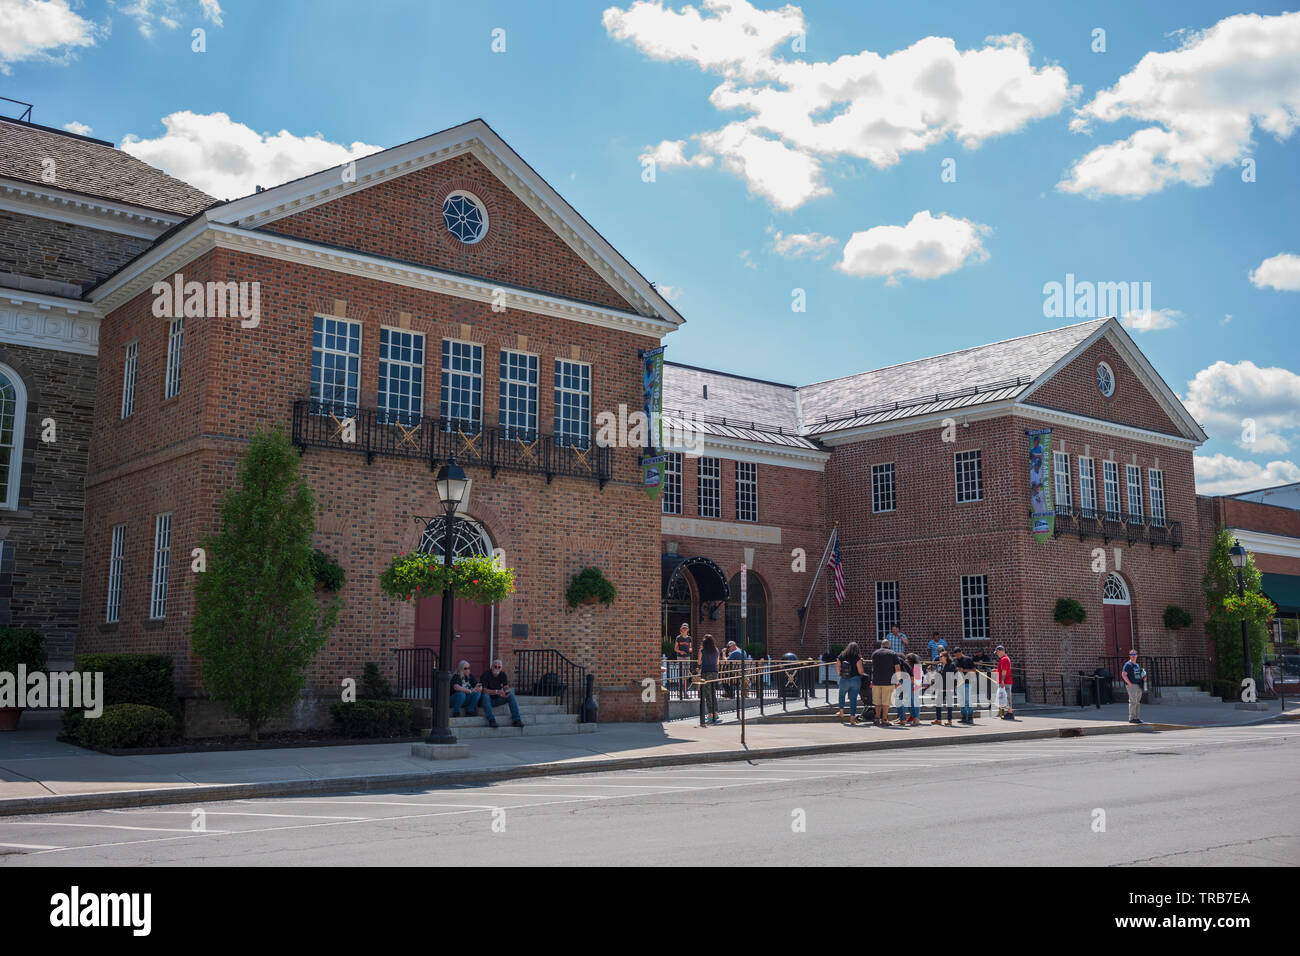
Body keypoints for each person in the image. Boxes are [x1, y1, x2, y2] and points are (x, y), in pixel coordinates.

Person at [450, 660, 498, 729]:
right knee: (461, 694)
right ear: (460, 668)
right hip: (454, 700)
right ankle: (456, 712)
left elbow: (477, 684)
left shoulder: (470, 676)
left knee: (477, 693)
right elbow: (456, 687)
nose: (467, 670)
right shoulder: (456, 676)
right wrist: (470, 691)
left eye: (468, 668)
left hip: (465, 701)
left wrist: (479, 687)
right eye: (465, 668)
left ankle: (470, 710)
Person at [481, 658, 524, 728]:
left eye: (499, 667)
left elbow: (505, 686)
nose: (497, 668)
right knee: (485, 696)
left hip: (497, 699)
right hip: (487, 700)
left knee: (511, 696)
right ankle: (491, 720)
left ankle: (516, 720)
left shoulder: (503, 674)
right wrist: (497, 691)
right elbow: (483, 690)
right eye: (495, 667)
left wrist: (507, 691)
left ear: (501, 668)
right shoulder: (485, 674)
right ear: (492, 667)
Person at [870, 637, 901, 727]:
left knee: (877, 702)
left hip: (876, 681)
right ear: (889, 645)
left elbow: (873, 667)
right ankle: (884, 719)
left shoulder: (874, 653)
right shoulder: (892, 653)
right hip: (888, 681)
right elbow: (897, 668)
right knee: (886, 702)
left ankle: (877, 718)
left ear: (881, 645)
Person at [836, 641, 866, 725]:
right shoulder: (857, 658)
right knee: (853, 699)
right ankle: (852, 719)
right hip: (855, 680)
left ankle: (841, 712)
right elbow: (861, 671)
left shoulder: (842, 656)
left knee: (842, 695)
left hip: (844, 679)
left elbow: (838, 666)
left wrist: (841, 675)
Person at [698, 635, 721, 724]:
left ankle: (710, 714)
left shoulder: (702, 650)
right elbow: (717, 662)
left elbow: (699, 662)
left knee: (707, 694)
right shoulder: (716, 650)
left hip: (706, 672)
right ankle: (716, 712)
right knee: (713, 693)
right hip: (714, 672)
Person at [895, 652, 922, 726]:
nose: (906, 660)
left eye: (907, 659)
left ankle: (915, 718)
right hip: (908, 684)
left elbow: (918, 679)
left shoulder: (916, 667)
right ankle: (906, 718)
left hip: (913, 686)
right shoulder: (908, 666)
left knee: (913, 701)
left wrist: (914, 688)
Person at [931, 649, 957, 726]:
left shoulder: (951, 665)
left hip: (948, 688)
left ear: (945, 657)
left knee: (949, 705)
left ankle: (949, 720)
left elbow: (956, 676)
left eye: (941, 656)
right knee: (938, 704)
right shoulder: (939, 665)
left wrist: (953, 686)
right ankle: (938, 719)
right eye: (939, 657)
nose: (940, 658)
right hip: (940, 688)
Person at [953, 647, 977, 724]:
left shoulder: (968, 659)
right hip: (958, 684)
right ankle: (964, 717)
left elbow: (974, 670)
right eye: (956, 655)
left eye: (958, 654)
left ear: (961, 652)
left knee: (968, 700)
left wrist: (963, 670)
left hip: (967, 682)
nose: (957, 656)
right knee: (961, 701)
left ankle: (970, 717)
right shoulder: (955, 661)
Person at [1122, 650, 1146, 724]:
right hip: (1132, 685)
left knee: (1137, 702)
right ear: (1129, 656)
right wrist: (1129, 683)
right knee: (1133, 701)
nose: (1132, 656)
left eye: (1134, 654)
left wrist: (1144, 676)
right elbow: (1123, 674)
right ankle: (1131, 718)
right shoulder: (1128, 664)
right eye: (1131, 654)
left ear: (1136, 655)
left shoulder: (1137, 665)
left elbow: (1139, 674)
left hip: (1138, 685)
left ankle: (1136, 718)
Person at [995, 645, 1015, 720]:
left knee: (1006, 697)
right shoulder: (1004, 659)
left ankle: (1010, 713)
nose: (997, 654)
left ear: (1001, 651)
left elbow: (1004, 671)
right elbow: (1002, 670)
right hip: (1005, 682)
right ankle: (1007, 712)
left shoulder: (1004, 659)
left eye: (997, 652)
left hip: (1005, 682)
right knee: (1004, 697)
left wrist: (1002, 680)